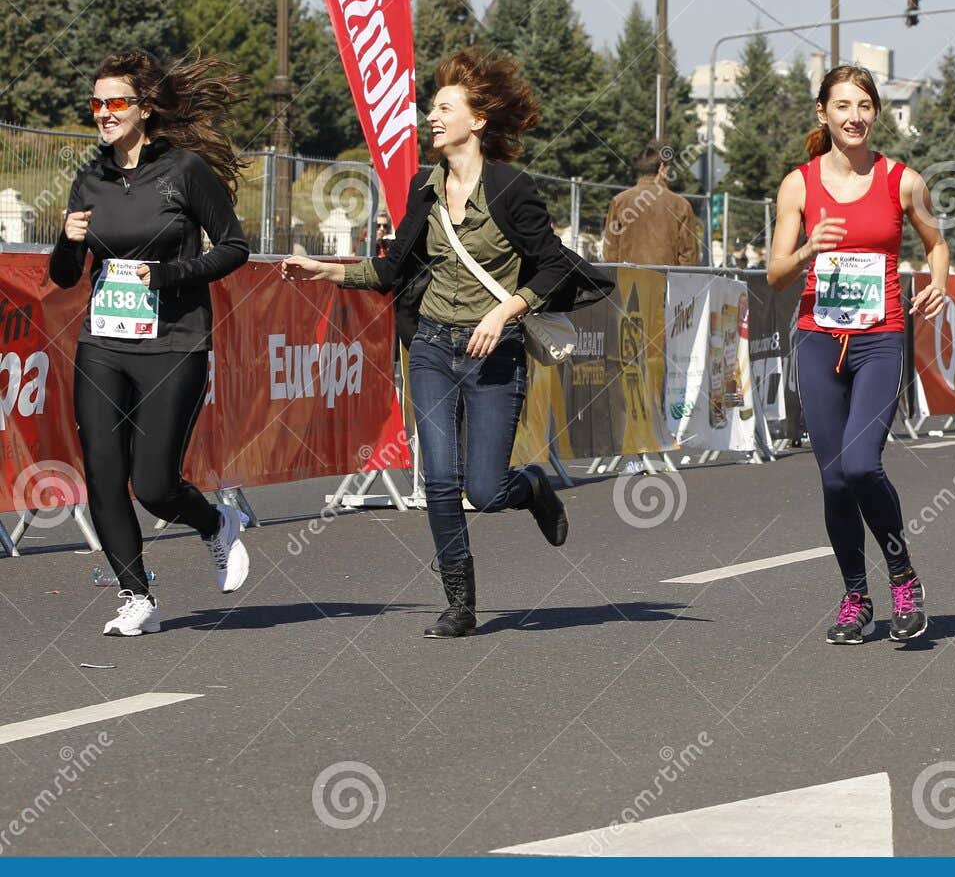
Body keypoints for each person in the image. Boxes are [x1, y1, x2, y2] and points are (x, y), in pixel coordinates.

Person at [282, 49, 613, 638]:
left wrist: (505, 311)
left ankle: (532, 486)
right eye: (431, 109)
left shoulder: (511, 188)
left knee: (484, 491)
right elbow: (392, 269)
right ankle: (460, 602)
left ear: (477, 120)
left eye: (444, 108)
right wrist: (326, 270)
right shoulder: (424, 188)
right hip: (433, 347)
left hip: (495, 355)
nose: (431, 117)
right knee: (438, 480)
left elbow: (554, 266)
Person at [50, 51, 253, 638]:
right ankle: (137, 596)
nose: (103, 112)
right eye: (96, 103)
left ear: (144, 109)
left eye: (115, 102)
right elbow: (64, 276)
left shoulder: (185, 171)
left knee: (156, 486)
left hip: (173, 342)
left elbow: (234, 247)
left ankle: (215, 524)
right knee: (102, 472)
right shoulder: (90, 178)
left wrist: (168, 274)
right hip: (104, 343)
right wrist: (68, 240)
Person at [767, 64, 949, 645]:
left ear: (876, 113)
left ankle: (903, 577)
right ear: (823, 113)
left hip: (879, 338)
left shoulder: (902, 181)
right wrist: (807, 251)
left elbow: (936, 242)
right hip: (818, 339)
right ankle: (855, 597)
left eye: (864, 105)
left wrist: (938, 282)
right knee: (835, 482)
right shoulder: (799, 185)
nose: (854, 116)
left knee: (862, 465)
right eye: (842, 106)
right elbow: (774, 274)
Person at [602, 139, 701, 266]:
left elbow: (610, 253)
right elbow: (689, 257)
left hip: (628, 277)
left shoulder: (619, 201)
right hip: (667, 277)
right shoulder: (681, 205)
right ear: (662, 168)